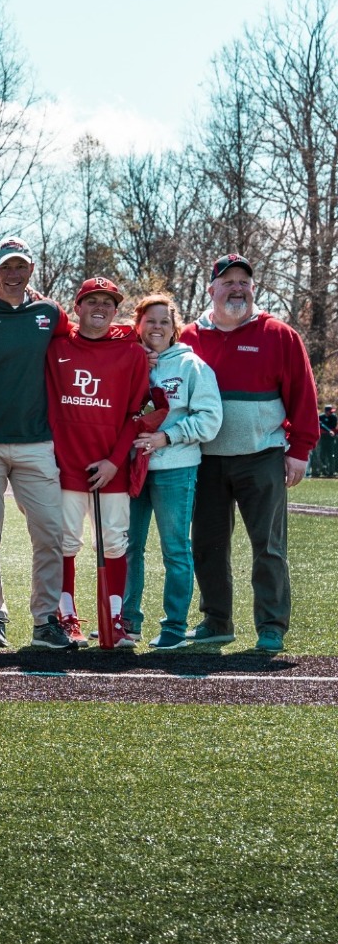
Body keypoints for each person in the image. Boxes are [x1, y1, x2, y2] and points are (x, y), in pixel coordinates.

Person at [180, 254, 320, 653]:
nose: (237, 288)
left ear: (253, 288)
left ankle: (271, 625)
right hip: (203, 459)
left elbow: (303, 397)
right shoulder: (189, 336)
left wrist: (301, 449)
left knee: (269, 546)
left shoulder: (279, 334)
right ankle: (216, 620)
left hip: (262, 455)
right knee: (207, 543)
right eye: (228, 282)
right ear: (212, 290)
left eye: (244, 281)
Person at [0, 237, 74, 650]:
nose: (13, 273)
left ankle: (45, 620)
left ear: (32, 269)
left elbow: (83, 345)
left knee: (50, 533)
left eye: (20, 266)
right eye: (5, 266)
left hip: (37, 440)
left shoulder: (50, 312)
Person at [45, 278, 150, 648]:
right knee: (65, 543)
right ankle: (66, 616)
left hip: (111, 467)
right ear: (78, 307)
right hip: (65, 466)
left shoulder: (132, 353)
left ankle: (114, 618)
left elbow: (135, 414)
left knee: (115, 545)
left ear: (116, 310)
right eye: (92, 301)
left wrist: (114, 461)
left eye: (108, 302)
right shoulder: (56, 348)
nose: (100, 308)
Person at [123, 294, 221, 651]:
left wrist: (168, 436)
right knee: (128, 547)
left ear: (175, 328)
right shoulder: (127, 359)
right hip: (130, 469)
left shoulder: (192, 366)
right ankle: (127, 621)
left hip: (174, 469)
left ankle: (174, 626)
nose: (157, 327)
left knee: (175, 549)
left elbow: (210, 419)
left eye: (165, 321)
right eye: (150, 320)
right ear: (138, 325)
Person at [318, 405, 337, 477]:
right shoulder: (321, 417)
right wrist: (326, 430)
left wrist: (327, 430)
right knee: (322, 455)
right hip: (322, 439)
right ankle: (323, 471)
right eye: (330, 411)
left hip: (330, 439)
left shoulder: (333, 417)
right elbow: (319, 427)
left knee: (331, 455)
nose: (331, 413)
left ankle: (331, 472)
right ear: (326, 411)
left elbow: (333, 427)